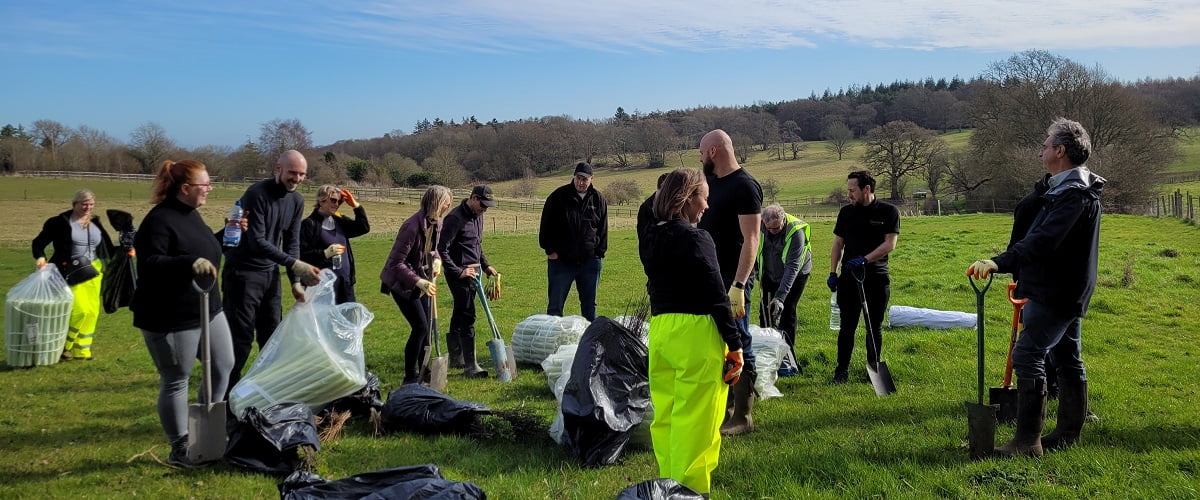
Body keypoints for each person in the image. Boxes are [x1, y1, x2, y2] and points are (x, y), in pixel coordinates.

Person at [967, 118, 1105, 457]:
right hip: (1062, 288)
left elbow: (1043, 240)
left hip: (1056, 290)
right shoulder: (1062, 190)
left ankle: (1027, 442)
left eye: (1045, 145)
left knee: (1028, 354)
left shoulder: (1074, 196)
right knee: (1066, 357)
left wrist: (1000, 261)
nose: (1040, 151)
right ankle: (1068, 434)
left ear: (1060, 150)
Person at [640, 167, 743, 496]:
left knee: (667, 416)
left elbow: (647, 210)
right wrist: (735, 344)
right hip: (697, 332)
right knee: (698, 420)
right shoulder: (697, 239)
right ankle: (692, 492)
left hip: (661, 330)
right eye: (704, 198)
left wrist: (667, 190)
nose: (707, 206)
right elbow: (716, 295)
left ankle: (668, 484)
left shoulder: (650, 235)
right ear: (687, 198)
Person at [131, 160, 234, 467]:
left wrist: (226, 234)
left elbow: (204, 249)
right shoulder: (159, 221)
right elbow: (151, 263)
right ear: (186, 188)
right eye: (205, 185)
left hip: (208, 309)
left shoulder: (192, 215)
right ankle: (180, 446)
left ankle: (205, 432)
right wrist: (188, 263)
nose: (210, 189)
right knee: (176, 378)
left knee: (223, 365)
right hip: (170, 315)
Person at [222, 150, 320, 397]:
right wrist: (295, 264)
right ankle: (226, 398)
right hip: (242, 274)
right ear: (278, 169)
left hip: (270, 274)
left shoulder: (296, 201)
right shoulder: (257, 194)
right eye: (292, 173)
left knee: (272, 337)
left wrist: (295, 281)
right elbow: (257, 241)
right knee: (240, 339)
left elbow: (292, 242)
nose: (297, 179)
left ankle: (266, 394)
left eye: (302, 174)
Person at [696, 129, 762, 436]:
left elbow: (752, 238)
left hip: (733, 278)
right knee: (717, 340)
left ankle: (742, 416)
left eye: (701, 152)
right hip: (710, 276)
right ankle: (723, 408)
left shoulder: (744, 186)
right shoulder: (709, 183)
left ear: (713, 151)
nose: (700, 158)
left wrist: (739, 284)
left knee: (739, 338)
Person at [828, 170, 899, 385]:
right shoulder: (846, 213)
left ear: (866, 189)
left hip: (876, 277)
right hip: (849, 279)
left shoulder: (889, 211)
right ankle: (841, 371)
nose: (849, 194)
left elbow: (890, 244)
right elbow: (838, 244)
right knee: (847, 327)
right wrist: (833, 272)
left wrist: (865, 260)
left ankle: (874, 370)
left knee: (874, 326)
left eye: (852, 190)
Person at [32, 188, 115, 361]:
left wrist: (127, 249)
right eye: (84, 204)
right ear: (75, 203)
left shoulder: (95, 222)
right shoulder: (59, 223)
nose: (88, 208)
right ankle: (64, 347)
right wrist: (40, 257)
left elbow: (106, 248)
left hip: (94, 272)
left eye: (91, 204)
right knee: (79, 311)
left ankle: (82, 351)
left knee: (91, 312)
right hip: (71, 272)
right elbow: (38, 243)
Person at [381, 186, 453, 384]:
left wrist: (437, 261)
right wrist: (418, 282)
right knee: (420, 327)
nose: (448, 207)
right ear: (435, 202)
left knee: (427, 327)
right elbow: (395, 263)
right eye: (446, 203)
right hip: (401, 282)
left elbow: (434, 249)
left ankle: (425, 369)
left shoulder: (437, 223)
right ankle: (410, 376)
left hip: (422, 279)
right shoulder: (411, 227)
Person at [437, 185, 499, 377]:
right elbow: (441, 249)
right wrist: (458, 271)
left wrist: (486, 265)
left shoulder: (478, 216)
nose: (485, 209)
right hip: (458, 273)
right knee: (468, 313)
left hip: (475, 271)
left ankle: (457, 357)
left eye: (487, 206)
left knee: (460, 311)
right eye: (483, 204)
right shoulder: (455, 218)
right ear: (473, 198)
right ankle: (471, 366)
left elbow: (476, 245)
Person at [539, 161, 608, 321]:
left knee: (589, 307)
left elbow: (603, 229)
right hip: (561, 261)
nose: (580, 182)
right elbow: (546, 225)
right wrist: (550, 250)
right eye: (578, 178)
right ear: (574, 177)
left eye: (585, 179)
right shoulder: (558, 197)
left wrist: (599, 253)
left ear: (592, 179)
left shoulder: (598, 199)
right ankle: (553, 336)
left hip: (589, 262)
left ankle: (589, 338)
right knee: (555, 307)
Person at [757, 204, 812, 366]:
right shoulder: (760, 225)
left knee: (787, 310)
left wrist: (780, 297)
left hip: (796, 275)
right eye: (768, 228)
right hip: (770, 274)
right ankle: (769, 353)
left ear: (783, 220)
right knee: (766, 312)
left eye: (776, 228)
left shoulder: (796, 232)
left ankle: (787, 358)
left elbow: (792, 266)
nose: (771, 231)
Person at [300, 185, 370, 304]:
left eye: (339, 201)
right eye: (333, 200)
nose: (336, 204)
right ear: (321, 201)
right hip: (322, 288)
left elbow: (363, 228)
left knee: (348, 316)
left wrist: (356, 206)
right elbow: (301, 256)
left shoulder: (339, 220)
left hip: (345, 285)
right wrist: (325, 253)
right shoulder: (309, 224)